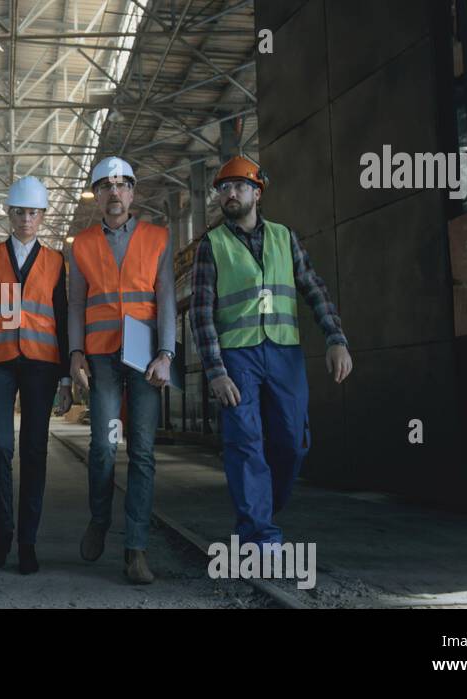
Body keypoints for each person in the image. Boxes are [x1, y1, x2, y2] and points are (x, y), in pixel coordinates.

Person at [189, 155, 353, 551]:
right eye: (223, 188)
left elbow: (313, 288)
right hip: (238, 360)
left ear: (257, 192)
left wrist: (336, 339)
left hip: (284, 354)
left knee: (292, 442)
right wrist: (216, 372)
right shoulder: (212, 245)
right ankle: (258, 532)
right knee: (245, 441)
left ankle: (262, 508)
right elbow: (201, 313)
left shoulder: (284, 237)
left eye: (239, 186)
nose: (230, 193)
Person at [68, 156, 176, 584]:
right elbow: (76, 302)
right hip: (102, 358)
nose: (114, 193)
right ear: (96, 195)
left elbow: (165, 297)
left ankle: (135, 548)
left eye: (122, 185)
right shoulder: (81, 245)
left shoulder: (158, 237)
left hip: (144, 356)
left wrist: (166, 353)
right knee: (102, 446)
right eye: (106, 186)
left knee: (143, 452)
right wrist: (75, 353)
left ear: (133, 192)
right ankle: (100, 519)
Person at [0, 176, 73, 575]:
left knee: (34, 451)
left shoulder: (57, 261)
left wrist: (65, 379)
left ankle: (28, 542)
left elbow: (61, 319)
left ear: (43, 216)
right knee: (0, 448)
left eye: (34, 212)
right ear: (9, 214)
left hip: (42, 363)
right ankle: (2, 534)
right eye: (20, 212)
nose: (27, 219)